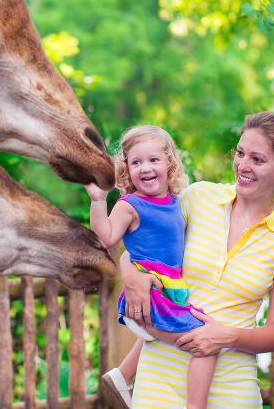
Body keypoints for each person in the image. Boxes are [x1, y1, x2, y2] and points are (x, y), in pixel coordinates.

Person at [119, 111, 274, 407]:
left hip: (231, 387)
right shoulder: (198, 198)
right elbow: (145, 247)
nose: (243, 166)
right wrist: (129, 273)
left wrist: (225, 337)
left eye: (257, 159)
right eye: (240, 153)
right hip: (158, 378)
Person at [86, 125, 216, 409]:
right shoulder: (130, 205)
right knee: (206, 344)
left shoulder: (173, 201)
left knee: (194, 328)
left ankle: (121, 376)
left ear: (169, 162)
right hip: (149, 298)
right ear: (127, 169)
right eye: (136, 162)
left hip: (166, 292)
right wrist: (98, 200)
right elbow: (106, 238)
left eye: (153, 160)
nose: (145, 168)